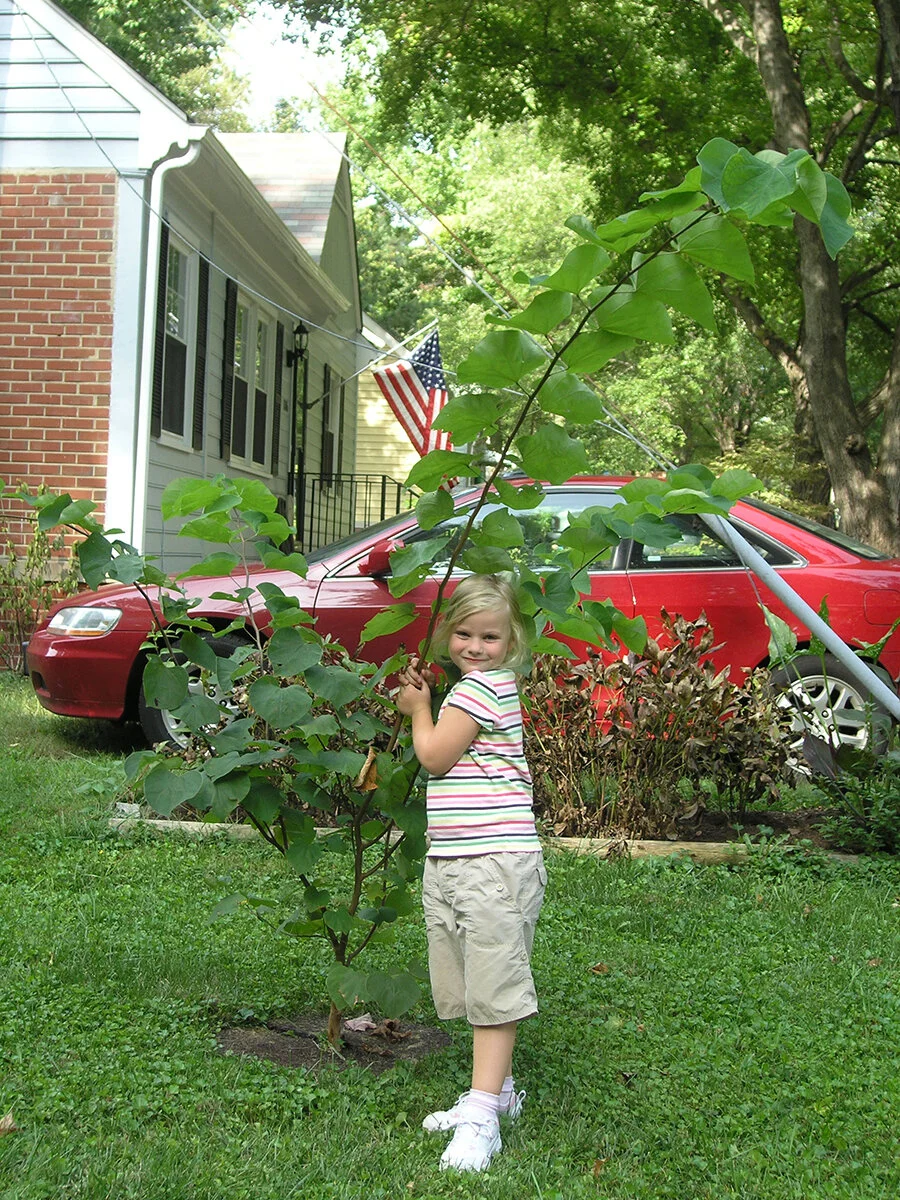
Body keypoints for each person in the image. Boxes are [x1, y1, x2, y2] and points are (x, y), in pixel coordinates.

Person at [396, 573, 546, 1173]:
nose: (476, 647)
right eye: (464, 634)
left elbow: (435, 756)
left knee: (494, 989)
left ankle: (482, 1116)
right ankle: (498, 1093)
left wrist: (418, 709)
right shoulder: (474, 688)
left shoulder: (480, 689)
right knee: (479, 977)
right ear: (446, 634)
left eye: (490, 637)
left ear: (511, 643)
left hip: (490, 863)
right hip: (464, 858)